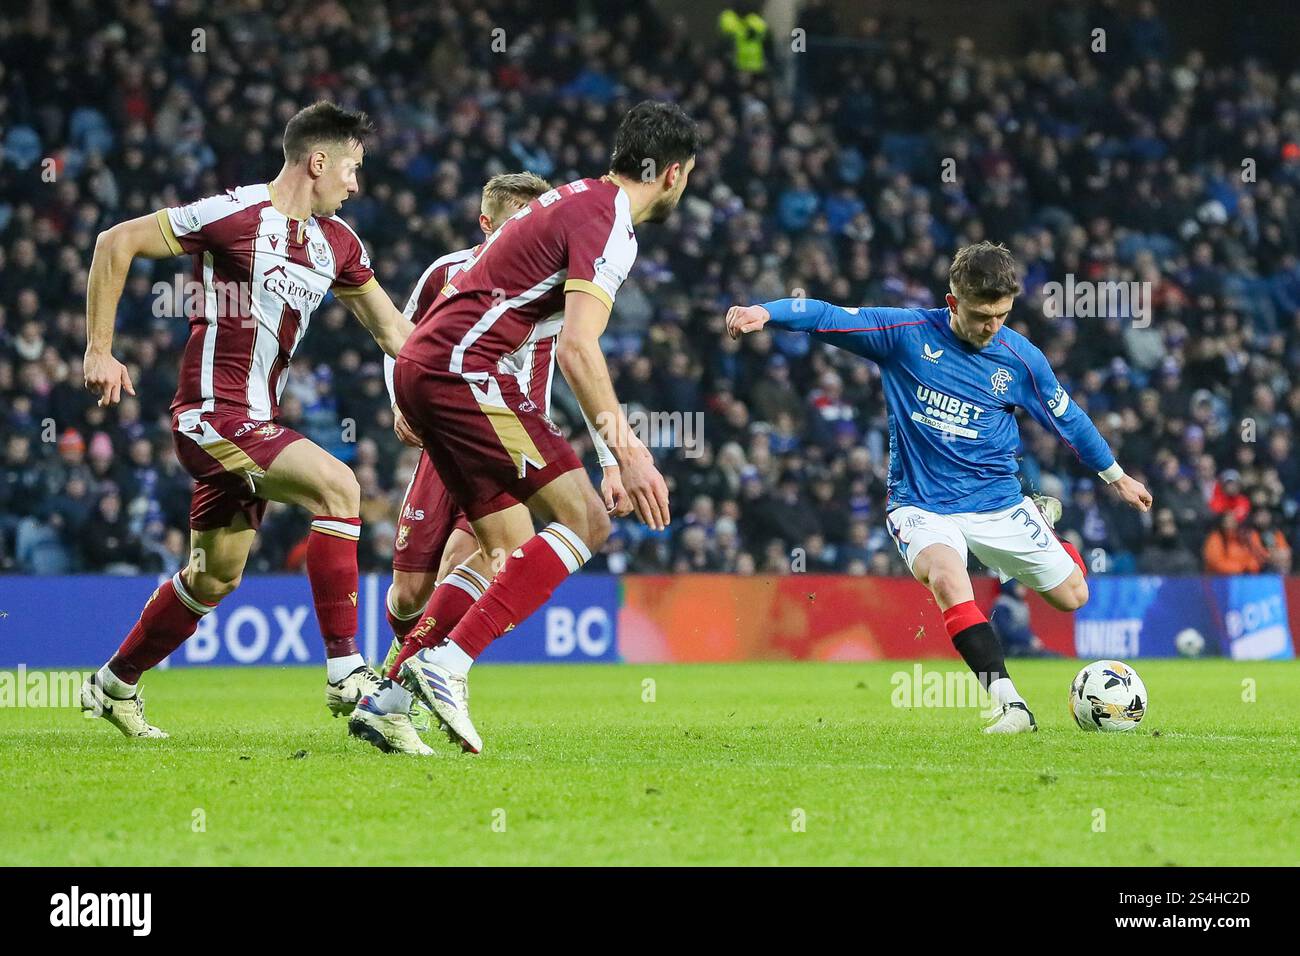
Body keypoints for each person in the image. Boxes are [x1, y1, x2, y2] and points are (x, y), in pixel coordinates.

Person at [371, 101, 698, 755]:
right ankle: (450, 663)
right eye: (687, 176)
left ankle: (391, 699)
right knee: (588, 521)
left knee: (504, 544)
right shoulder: (609, 224)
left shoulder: (575, 198)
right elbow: (580, 350)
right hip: (465, 373)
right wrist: (627, 451)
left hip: (431, 370)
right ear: (671, 174)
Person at [80, 101, 414, 738]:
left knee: (212, 578)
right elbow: (114, 242)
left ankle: (115, 684)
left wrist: (462, 374)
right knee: (340, 485)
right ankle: (347, 669)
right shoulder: (233, 214)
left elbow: (397, 333)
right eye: (351, 167)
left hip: (253, 425)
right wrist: (99, 348)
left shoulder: (339, 245)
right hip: (211, 416)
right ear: (317, 161)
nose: (355, 182)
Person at [727, 241, 1153, 733]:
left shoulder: (1020, 359)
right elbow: (824, 314)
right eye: (981, 315)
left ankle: (1041, 523)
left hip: (997, 501)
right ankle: (1010, 705)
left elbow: (1069, 421)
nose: (992, 326)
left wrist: (1117, 477)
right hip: (920, 503)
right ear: (953, 303)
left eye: (1002, 315)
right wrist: (767, 312)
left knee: (1073, 597)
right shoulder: (904, 334)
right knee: (950, 580)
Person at [354, 172, 622, 754]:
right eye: (518, 219)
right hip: (447, 419)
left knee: (489, 552)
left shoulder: (556, 281)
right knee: (407, 592)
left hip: (508, 430)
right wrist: (399, 401)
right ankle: (405, 682)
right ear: (487, 224)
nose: (530, 230)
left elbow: (578, 351)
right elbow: (401, 334)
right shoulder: (449, 273)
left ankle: (405, 687)